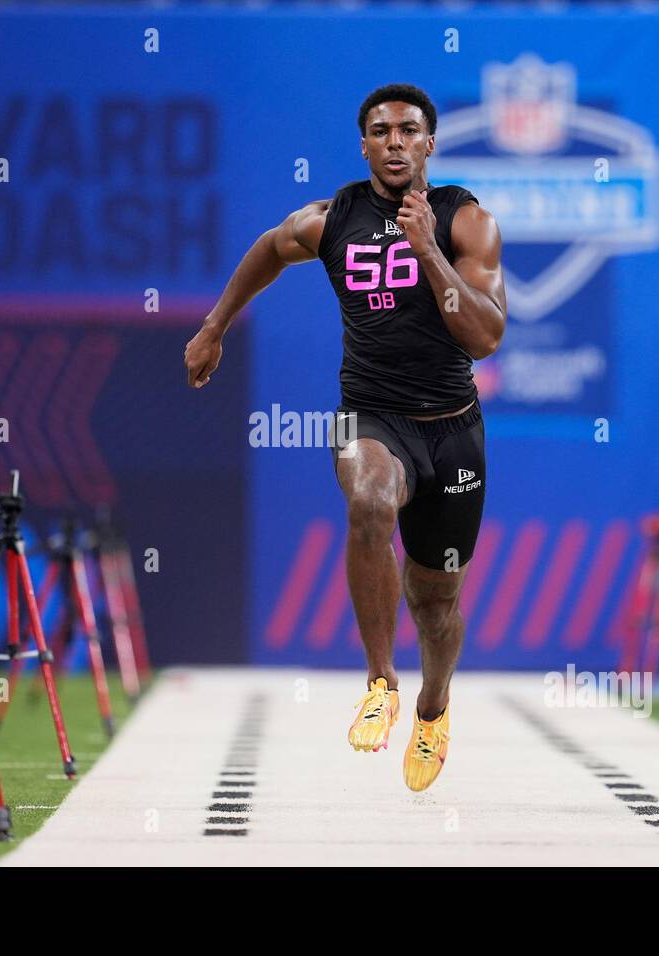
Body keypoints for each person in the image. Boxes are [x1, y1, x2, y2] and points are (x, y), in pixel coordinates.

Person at [184, 84, 505, 791]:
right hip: (372, 415)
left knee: (437, 603)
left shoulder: (466, 219)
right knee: (368, 502)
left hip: (451, 432)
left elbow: (485, 336)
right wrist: (215, 326)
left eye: (409, 131)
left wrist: (427, 248)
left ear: (430, 144)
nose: (395, 141)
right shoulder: (332, 221)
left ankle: (431, 705)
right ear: (363, 145)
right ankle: (382, 682)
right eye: (381, 131)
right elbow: (270, 249)